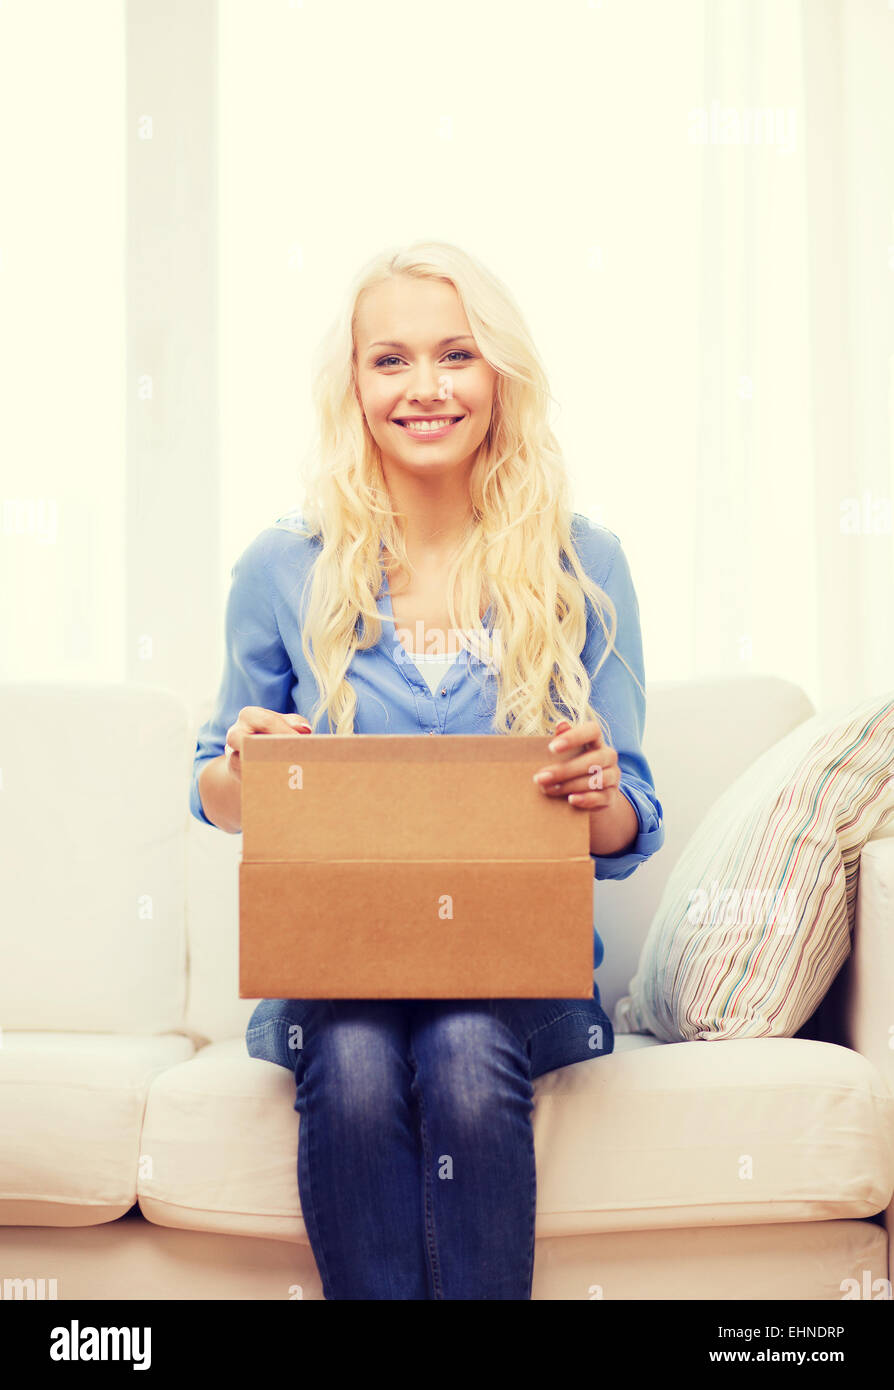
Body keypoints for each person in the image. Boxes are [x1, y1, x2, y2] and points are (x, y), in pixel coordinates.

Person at [190, 240, 665, 1299]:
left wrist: (597, 799)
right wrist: (246, 766)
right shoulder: (283, 565)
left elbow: (633, 819)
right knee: (353, 1061)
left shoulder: (585, 565)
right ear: (353, 385)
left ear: (501, 374)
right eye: (390, 360)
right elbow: (212, 785)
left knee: (458, 1046)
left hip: (514, 970)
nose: (426, 388)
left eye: (456, 354)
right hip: (340, 966)